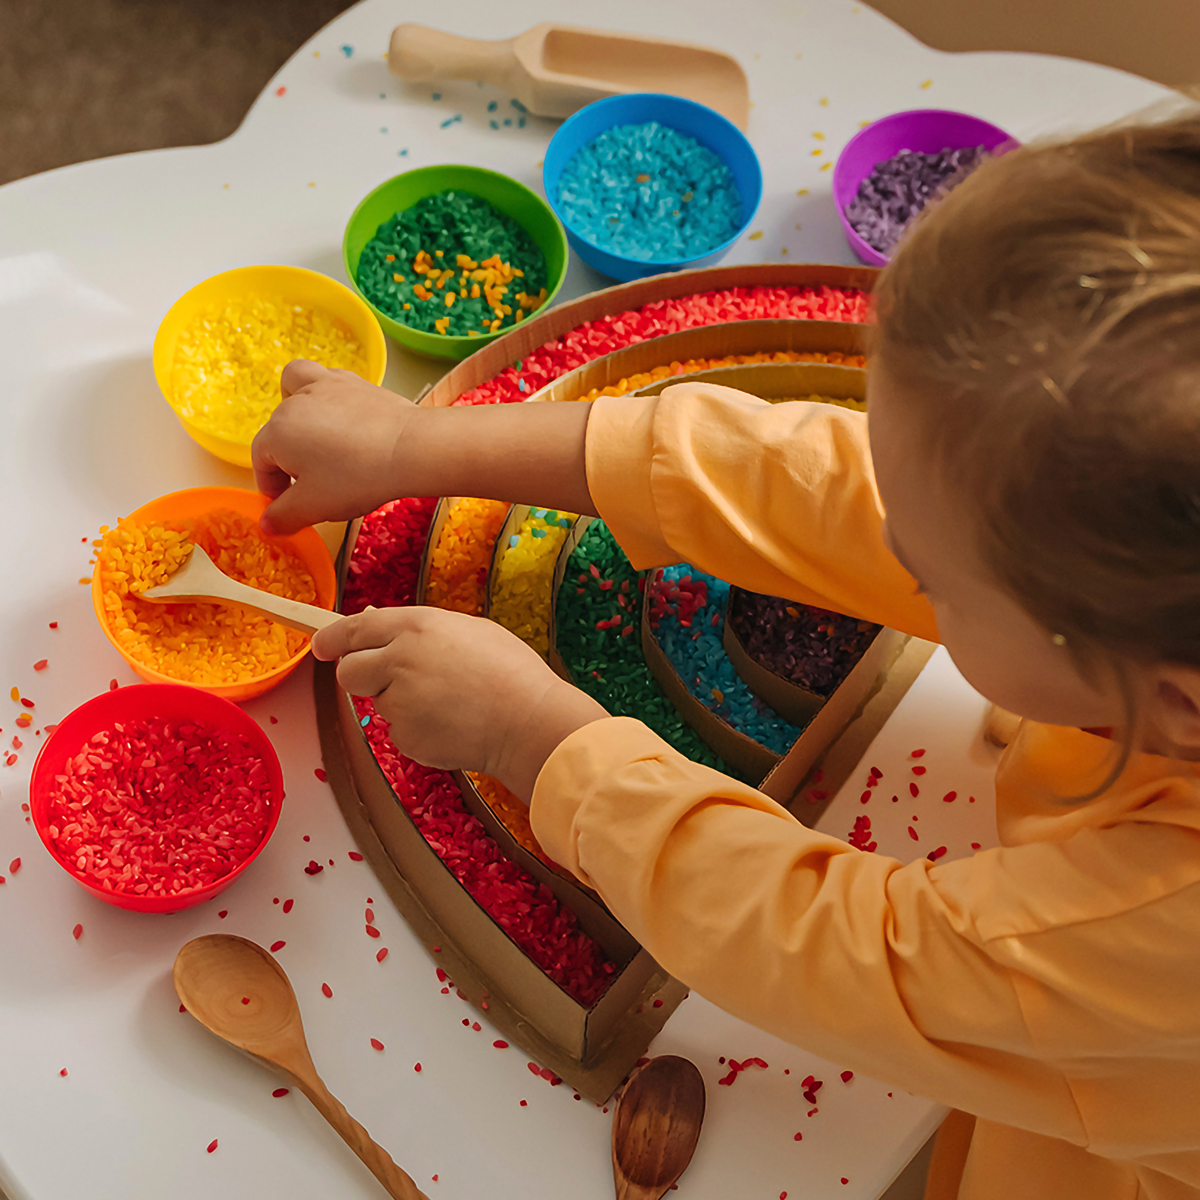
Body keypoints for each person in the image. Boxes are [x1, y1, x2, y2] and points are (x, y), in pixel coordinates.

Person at [251, 113, 1200, 1200]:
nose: (893, 540)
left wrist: (534, 736)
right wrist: (421, 447)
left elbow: (851, 956)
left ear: (1171, 706)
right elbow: (831, 487)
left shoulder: (1149, 942)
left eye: (929, 575)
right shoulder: (1160, 605)